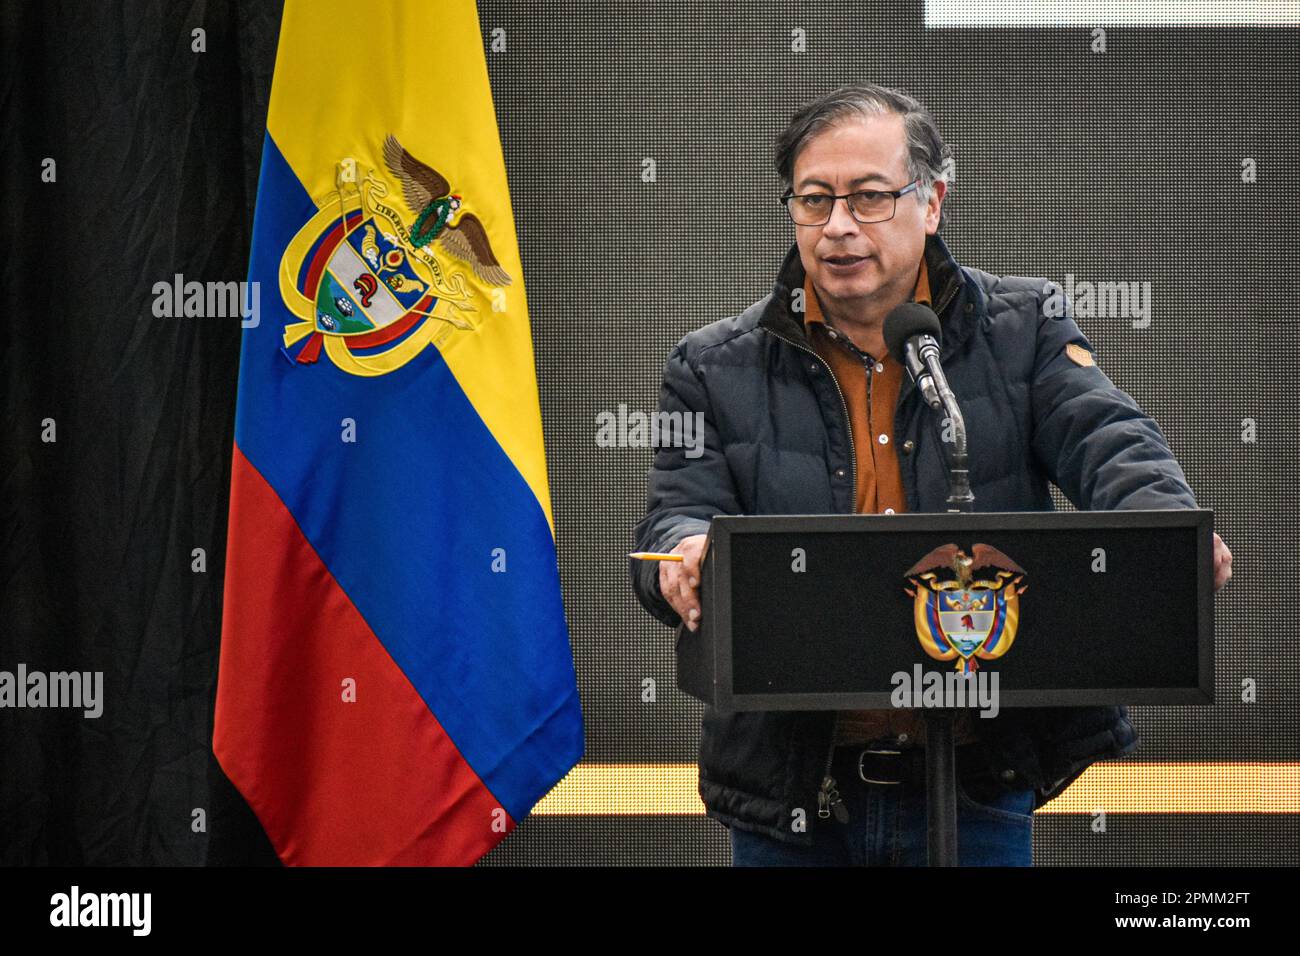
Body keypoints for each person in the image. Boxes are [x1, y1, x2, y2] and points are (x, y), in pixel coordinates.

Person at [628, 83, 1233, 867]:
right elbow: (673, 517)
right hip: (795, 792)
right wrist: (683, 555)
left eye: (870, 198)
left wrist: (1167, 531)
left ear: (933, 201)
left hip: (974, 778)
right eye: (815, 200)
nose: (839, 226)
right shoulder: (712, 365)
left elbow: (1111, 443)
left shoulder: (1023, 329)